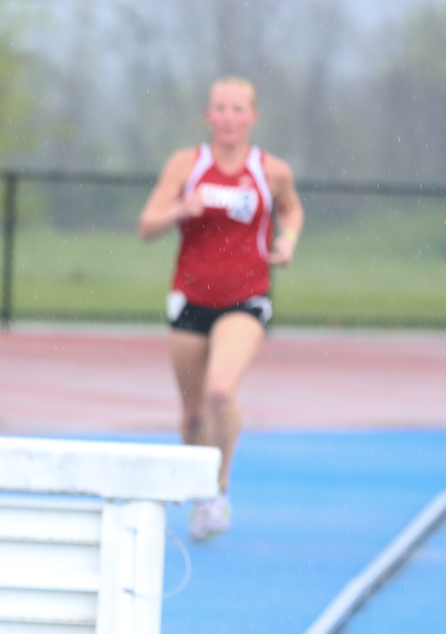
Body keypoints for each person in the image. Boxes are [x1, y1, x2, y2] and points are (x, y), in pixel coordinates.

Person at [137, 76, 302, 540]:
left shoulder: (270, 170)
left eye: (237, 109)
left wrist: (286, 242)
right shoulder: (187, 165)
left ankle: (219, 488)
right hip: (190, 298)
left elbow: (290, 210)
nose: (229, 118)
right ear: (208, 116)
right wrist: (180, 210)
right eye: (220, 109)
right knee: (192, 414)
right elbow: (147, 224)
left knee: (219, 392)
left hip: (245, 297)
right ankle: (200, 493)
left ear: (253, 116)